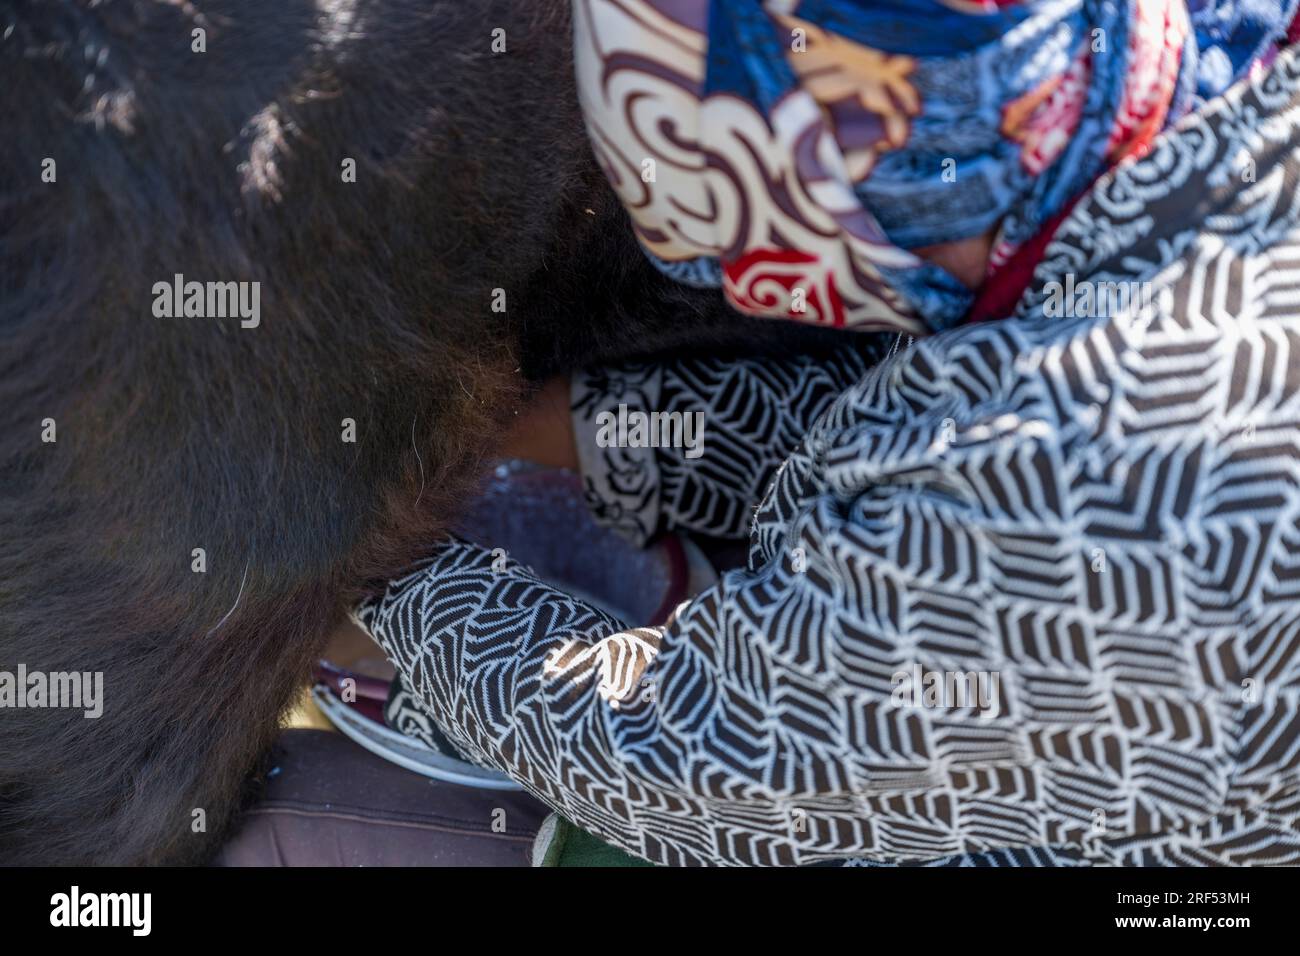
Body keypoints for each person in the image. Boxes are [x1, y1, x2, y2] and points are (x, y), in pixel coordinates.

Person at [356, 0, 1300, 865]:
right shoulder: (1197, 85)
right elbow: (920, 422)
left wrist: (377, 567)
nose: (735, 288)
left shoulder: (1099, 480)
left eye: (737, 248)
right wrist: (611, 439)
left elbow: (679, 753)